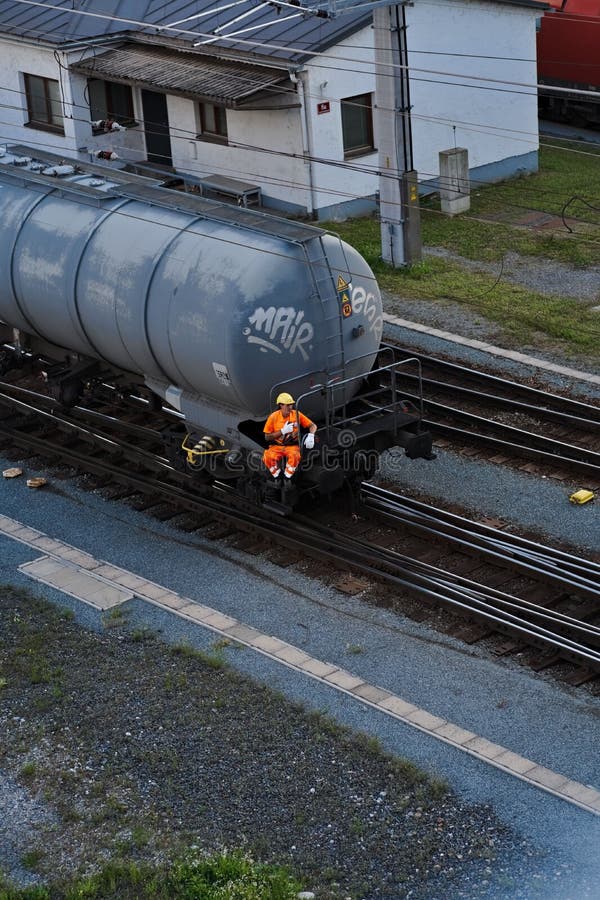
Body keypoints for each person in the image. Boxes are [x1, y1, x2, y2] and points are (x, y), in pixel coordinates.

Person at [263, 392, 317, 479]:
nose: (290, 407)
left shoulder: (296, 414)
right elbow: (267, 437)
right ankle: (276, 474)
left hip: (292, 446)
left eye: (291, 405)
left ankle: (287, 477)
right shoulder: (273, 417)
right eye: (287, 405)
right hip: (277, 445)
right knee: (267, 456)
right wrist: (282, 431)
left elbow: (312, 425)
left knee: (295, 456)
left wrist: (311, 436)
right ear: (281, 405)